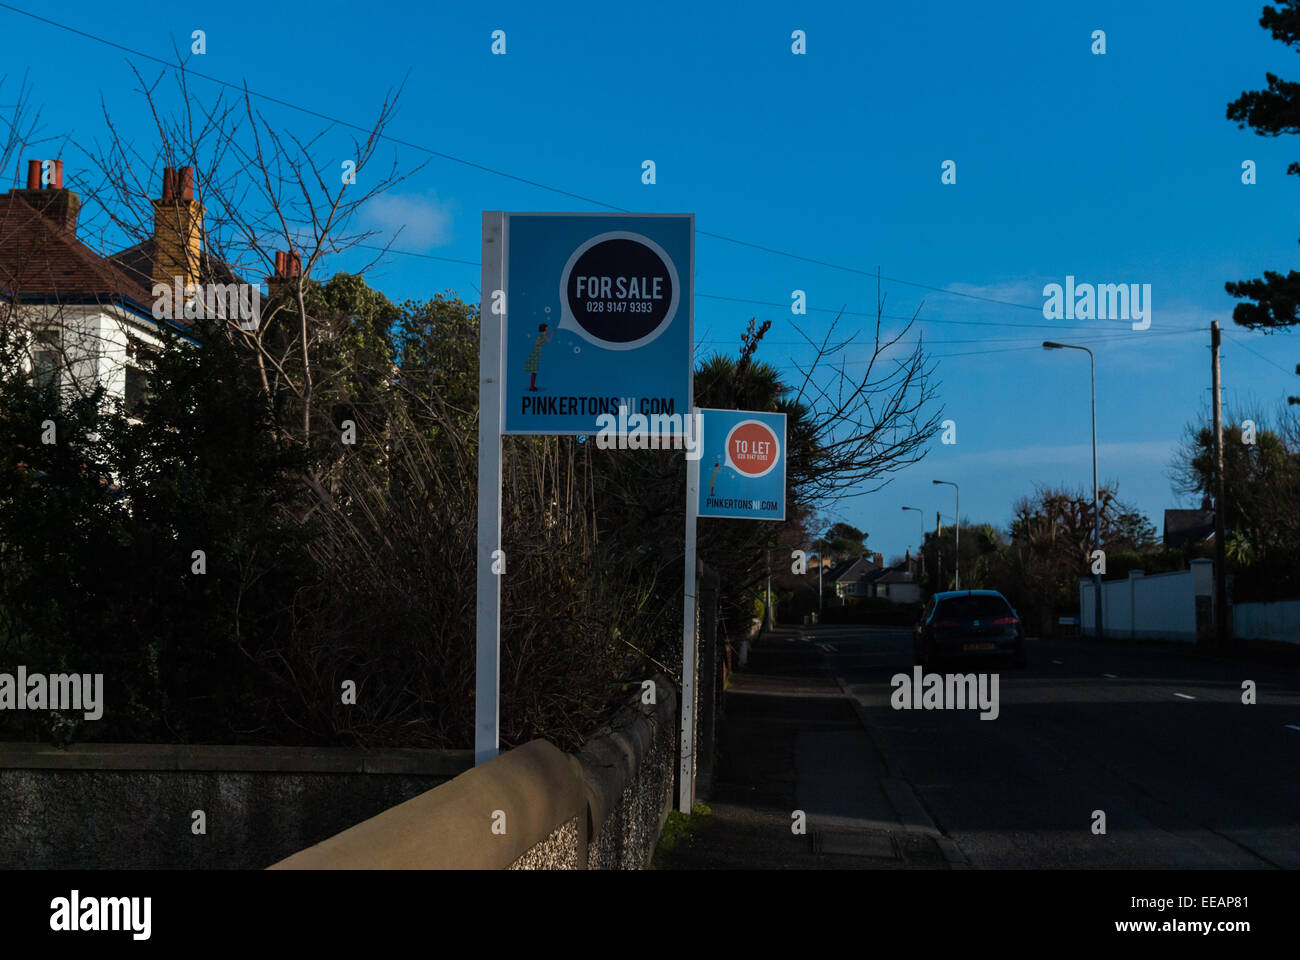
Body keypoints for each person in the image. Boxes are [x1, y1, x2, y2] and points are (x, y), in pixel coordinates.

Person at [524, 323, 553, 391]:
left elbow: (548, 341)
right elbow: (537, 343)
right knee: (534, 370)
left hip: (538, 352)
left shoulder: (544, 335)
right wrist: (542, 340)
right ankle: (531, 387)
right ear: (544, 328)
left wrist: (551, 335)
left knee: (535, 370)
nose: (548, 328)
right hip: (536, 353)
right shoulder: (542, 335)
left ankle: (532, 386)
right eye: (547, 327)